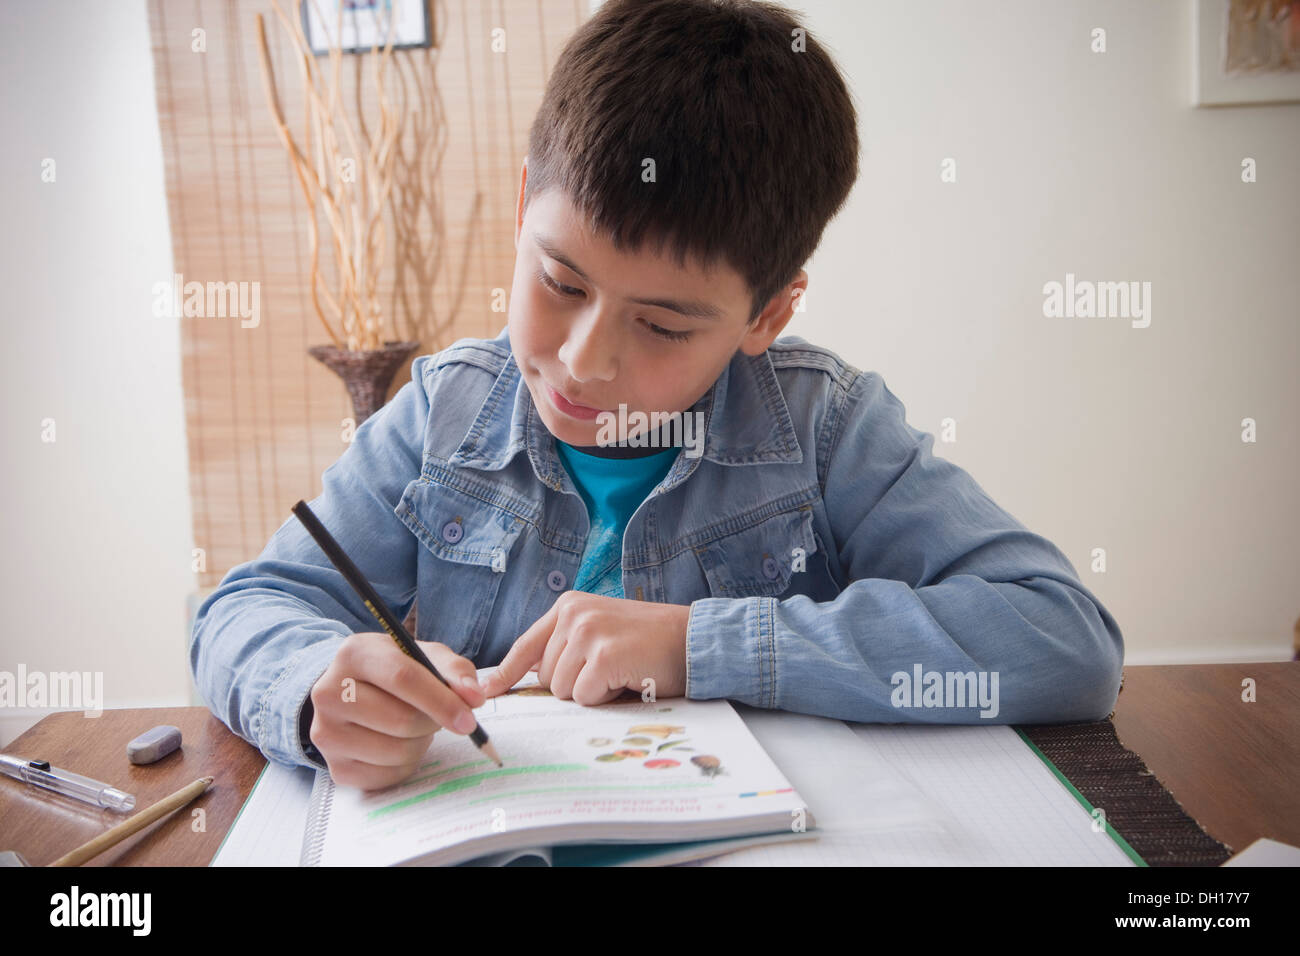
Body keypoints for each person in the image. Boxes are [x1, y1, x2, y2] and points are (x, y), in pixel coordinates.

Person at [191, 0, 1123, 790]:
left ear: (769, 313)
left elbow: (1064, 641)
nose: (585, 360)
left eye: (665, 327)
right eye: (559, 282)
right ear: (524, 211)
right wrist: (321, 684)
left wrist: (701, 646)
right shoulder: (445, 415)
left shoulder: (823, 428)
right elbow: (245, 609)